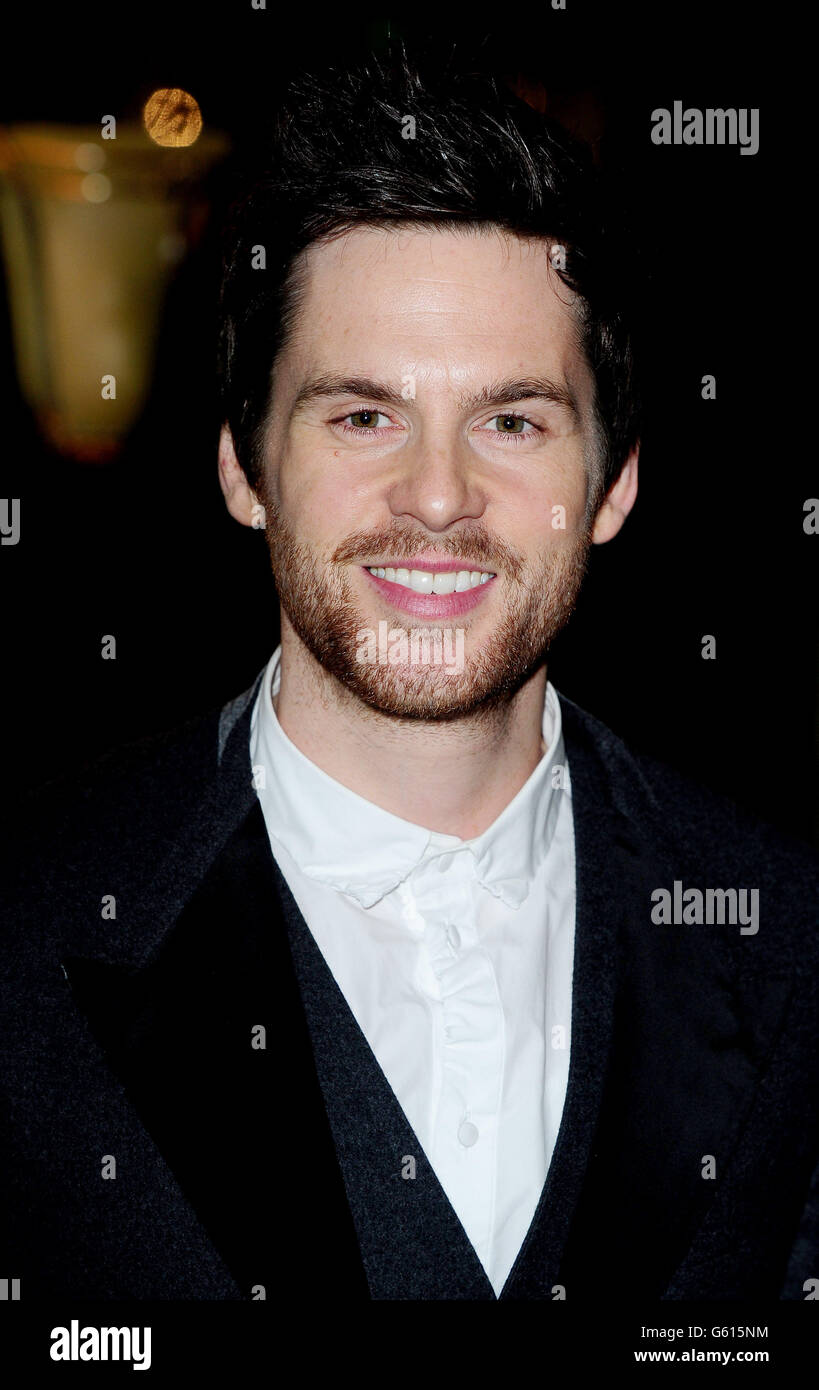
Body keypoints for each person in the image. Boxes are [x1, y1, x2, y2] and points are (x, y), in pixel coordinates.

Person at [2, 51, 817, 1302]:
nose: (438, 496)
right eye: (362, 416)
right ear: (243, 467)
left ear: (614, 484)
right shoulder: (22, 922)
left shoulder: (791, 927)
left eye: (512, 421)